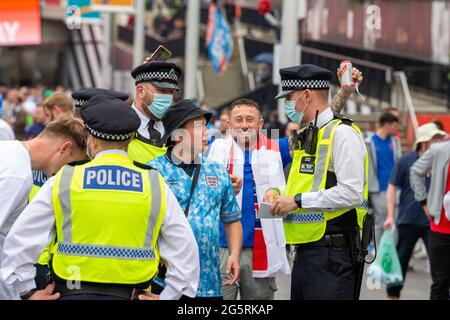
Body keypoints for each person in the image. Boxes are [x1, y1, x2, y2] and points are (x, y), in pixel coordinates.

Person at [1, 96, 200, 300]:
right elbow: (185, 250)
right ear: (132, 138)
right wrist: (170, 296)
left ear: (91, 140)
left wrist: (27, 292)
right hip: (131, 295)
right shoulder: (154, 183)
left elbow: (20, 240)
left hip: (72, 292)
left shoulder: (65, 180)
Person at [264, 64, 369, 300]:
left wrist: (298, 201)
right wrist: (278, 192)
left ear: (307, 95)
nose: (288, 105)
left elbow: (351, 193)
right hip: (306, 254)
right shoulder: (309, 135)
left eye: (290, 98)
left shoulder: (342, 134)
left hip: (332, 254)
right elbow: (303, 186)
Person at [148, 99, 243, 299]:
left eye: (206, 127)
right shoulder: (153, 172)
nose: (207, 133)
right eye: (199, 127)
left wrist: (234, 253)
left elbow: (232, 218)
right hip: (165, 283)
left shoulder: (217, 170)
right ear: (177, 134)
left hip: (209, 284)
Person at [208, 98, 290, 300]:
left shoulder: (276, 148)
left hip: (260, 248)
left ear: (260, 124)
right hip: (221, 247)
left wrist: (343, 94)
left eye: (250, 119)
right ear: (229, 125)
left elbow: (313, 131)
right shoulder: (213, 148)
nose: (244, 125)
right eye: (238, 120)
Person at [0, 117, 88, 299]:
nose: (69, 172)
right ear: (64, 148)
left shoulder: (8, 151)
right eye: (72, 164)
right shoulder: (18, 174)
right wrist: (26, 294)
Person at [383, 122, 446, 300]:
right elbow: (392, 188)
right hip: (408, 219)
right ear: (424, 142)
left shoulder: (441, 160)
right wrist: (389, 215)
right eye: (435, 139)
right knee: (400, 263)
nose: (439, 141)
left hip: (433, 221)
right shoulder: (406, 160)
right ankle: (392, 296)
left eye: (440, 138)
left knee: (440, 266)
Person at [410, 138, 450, 300]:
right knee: (441, 283)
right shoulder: (439, 150)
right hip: (441, 228)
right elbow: (415, 171)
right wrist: (424, 203)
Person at [128, 61, 182, 163]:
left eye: (171, 92)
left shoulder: (177, 128)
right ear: (140, 91)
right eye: (162, 91)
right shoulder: (120, 124)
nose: (167, 98)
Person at [366, 112, 402, 245]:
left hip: (394, 187)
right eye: (394, 125)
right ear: (386, 124)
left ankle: (392, 255)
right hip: (378, 188)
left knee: (395, 222)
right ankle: (378, 255)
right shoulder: (370, 142)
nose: (396, 129)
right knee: (380, 222)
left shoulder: (395, 141)